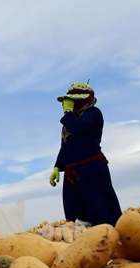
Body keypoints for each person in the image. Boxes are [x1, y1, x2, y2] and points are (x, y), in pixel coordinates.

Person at [49, 81, 122, 226]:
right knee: (75, 215)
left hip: (91, 170)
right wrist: (57, 167)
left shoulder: (93, 114)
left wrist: (68, 113)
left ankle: (108, 237)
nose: (67, 105)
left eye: (71, 102)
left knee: (99, 210)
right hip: (73, 172)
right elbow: (66, 146)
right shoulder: (70, 121)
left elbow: (78, 128)